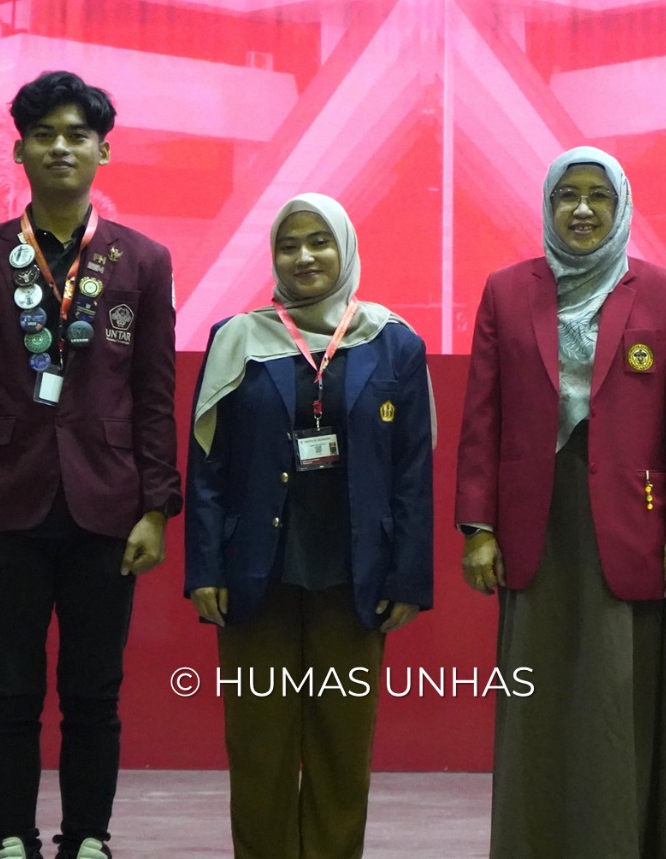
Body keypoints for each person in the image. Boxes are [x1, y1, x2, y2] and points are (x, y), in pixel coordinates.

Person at [0, 71, 180, 859]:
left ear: (104, 151)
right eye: (45, 135)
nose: (61, 147)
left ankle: (88, 838)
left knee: (93, 695)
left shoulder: (143, 260)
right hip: (4, 506)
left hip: (107, 505)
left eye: (77, 135)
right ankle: (9, 836)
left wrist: (155, 506)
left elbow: (153, 392)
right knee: (9, 692)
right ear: (20, 149)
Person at [455, 146, 666, 859]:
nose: (582, 209)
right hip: (536, 525)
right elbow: (482, 419)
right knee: (535, 705)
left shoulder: (664, 292)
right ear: (547, 203)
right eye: (568, 194)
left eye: (599, 196)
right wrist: (478, 528)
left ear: (620, 205)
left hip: (633, 528)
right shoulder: (508, 291)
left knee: (615, 699)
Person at [185, 193, 433, 859]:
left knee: (341, 751)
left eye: (319, 242)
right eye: (290, 244)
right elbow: (207, 466)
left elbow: (413, 469)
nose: (304, 257)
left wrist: (409, 574)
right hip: (253, 574)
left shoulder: (393, 341)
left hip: (357, 575)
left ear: (345, 248)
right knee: (259, 749)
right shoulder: (237, 338)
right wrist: (205, 567)